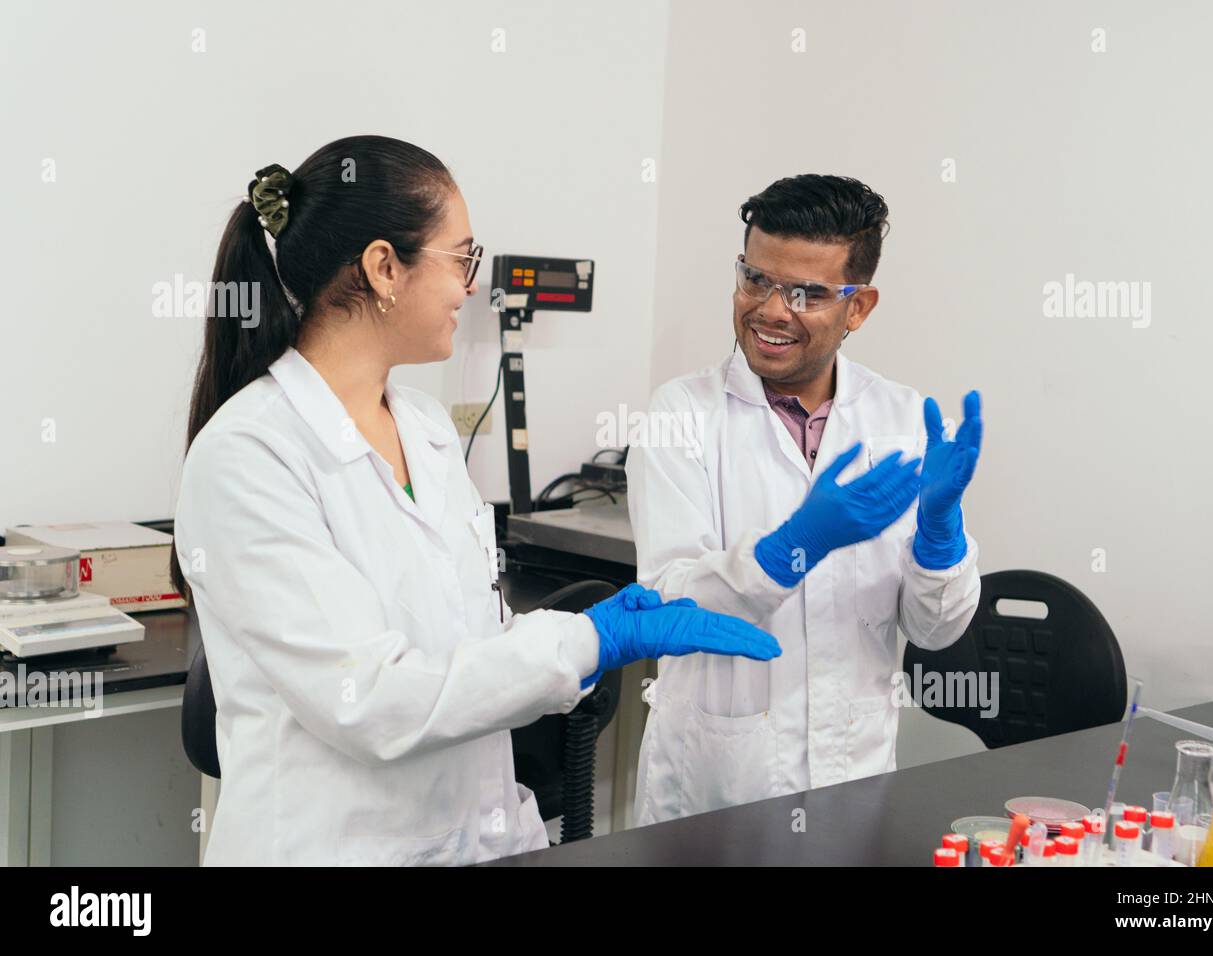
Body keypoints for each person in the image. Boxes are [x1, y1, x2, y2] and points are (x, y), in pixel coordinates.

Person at [172, 135, 780, 865]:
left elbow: (470, 650)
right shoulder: (250, 453)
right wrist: (591, 641)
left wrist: (564, 651)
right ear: (383, 268)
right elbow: (366, 700)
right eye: (462, 258)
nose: (470, 284)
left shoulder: (423, 426)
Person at [627, 174, 984, 825]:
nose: (770, 309)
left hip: (854, 782)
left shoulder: (901, 420)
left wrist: (940, 535)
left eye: (807, 293)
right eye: (755, 279)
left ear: (859, 306)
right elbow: (668, 606)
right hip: (718, 790)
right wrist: (796, 545)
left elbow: (937, 629)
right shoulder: (680, 414)